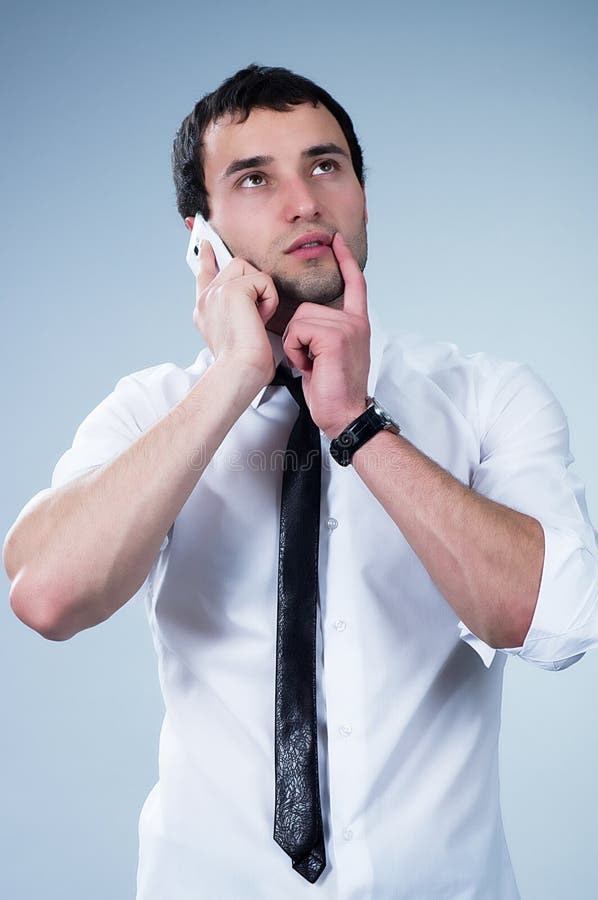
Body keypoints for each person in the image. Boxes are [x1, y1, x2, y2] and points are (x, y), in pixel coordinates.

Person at [4, 63, 598, 898]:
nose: (305, 201)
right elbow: (44, 595)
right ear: (200, 236)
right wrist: (234, 377)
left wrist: (357, 424)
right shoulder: (153, 411)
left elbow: (563, 624)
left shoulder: (487, 395)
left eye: (327, 166)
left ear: (363, 198)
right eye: (255, 178)